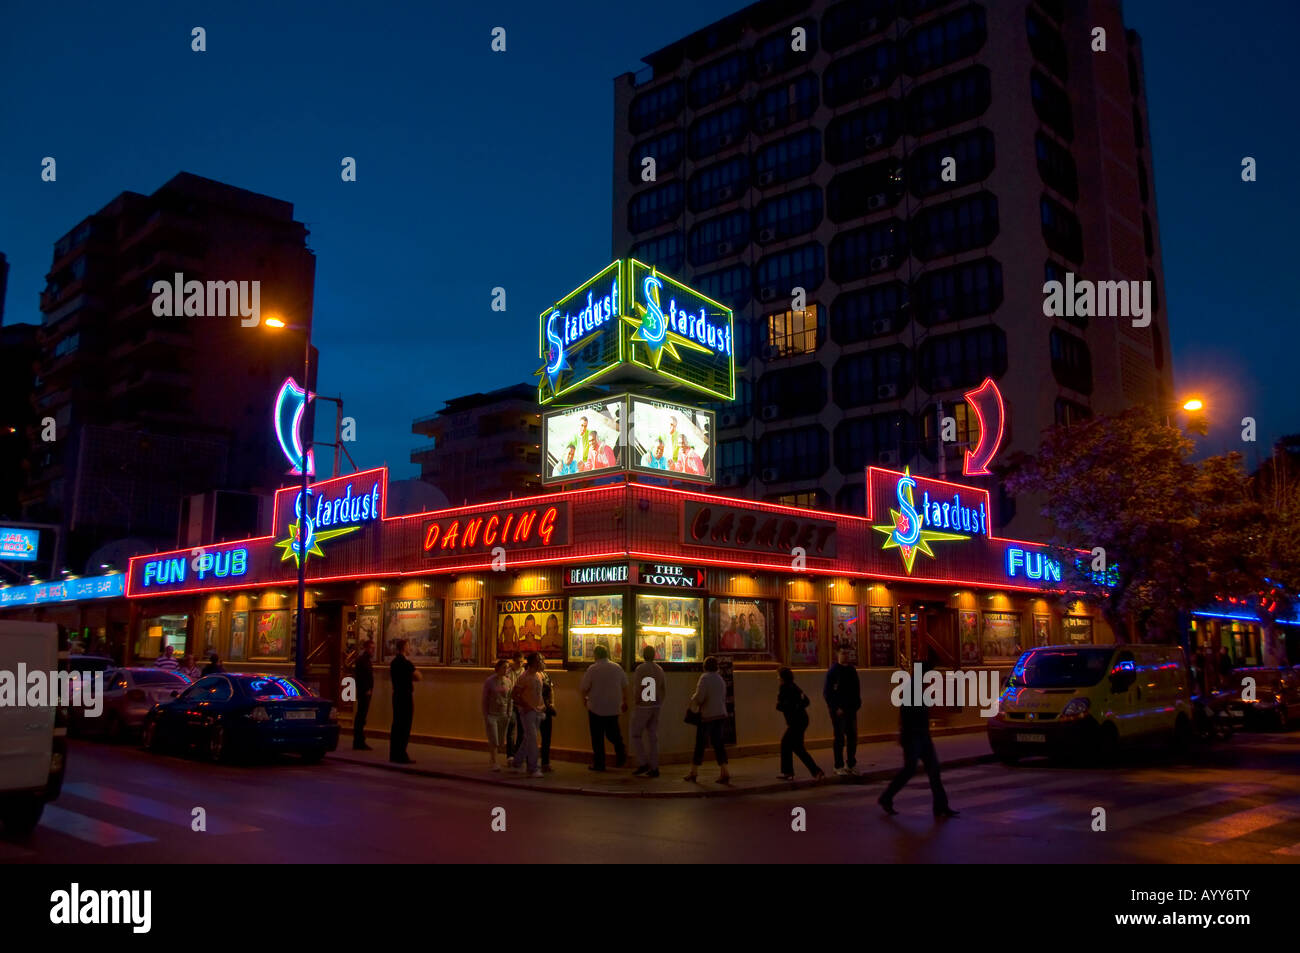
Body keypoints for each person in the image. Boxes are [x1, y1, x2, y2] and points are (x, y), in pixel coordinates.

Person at [878, 652, 958, 818]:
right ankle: (886, 797)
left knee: (932, 770)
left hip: (920, 735)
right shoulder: (913, 687)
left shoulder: (916, 686)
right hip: (914, 736)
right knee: (913, 770)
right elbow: (907, 713)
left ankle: (941, 805)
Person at [579, 644, 628, 771]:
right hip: (613, 706)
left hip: (596, 706)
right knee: (614, 734)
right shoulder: (617, 668)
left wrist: (584, 699)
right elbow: (625, 685)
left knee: (597, 738)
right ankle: (621, 754)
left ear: (596, 655)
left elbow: (584, 687)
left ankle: (599, 764)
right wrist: (624, 701)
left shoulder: (592, 669)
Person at [685, 656, 730, 784]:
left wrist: (693, 699)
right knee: (718, 744)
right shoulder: (720, 679)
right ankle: (725, 771)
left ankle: (694, 772)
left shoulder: (704, 678)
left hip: (707, 716)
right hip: (720, 714)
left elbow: (700, 697)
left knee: (700, 744)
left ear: (705, 666)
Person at [776, 667, 825, 781]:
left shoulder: (785, 688)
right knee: (797, 747)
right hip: (801, 720)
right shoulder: (794, 686)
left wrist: (790, 707)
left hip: (795, 722)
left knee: (786, 744)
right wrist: (798, 706)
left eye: (778, 676)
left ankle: (788, 772)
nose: (777, 678)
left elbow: (781, 705)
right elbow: (806, 701)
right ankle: (816, 771)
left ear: (783, 677)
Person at [824, 647, 861, 776]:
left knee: (852, 737)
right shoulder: (833, 671)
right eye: (843, 653)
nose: (845, 655)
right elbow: (827, 693)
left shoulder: (851, 670)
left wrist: (856, 705)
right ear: (837, 654)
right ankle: (838, 765)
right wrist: (835, 708)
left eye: (847, 653)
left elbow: (856, 689)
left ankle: (851, 764)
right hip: (839, 711)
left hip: (851, 709)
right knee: (839, 738)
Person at [507, 653, 546, 778]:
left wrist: (542, 706)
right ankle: (533, 767)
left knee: (527, 739)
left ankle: (517, 763)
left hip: (538, 711)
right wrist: (526, 706)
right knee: (533, 740)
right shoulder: (525, 677)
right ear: (534, 662)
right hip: (527, 712)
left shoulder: (539, 675)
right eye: (540, 660)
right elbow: (514, 695)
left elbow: (538, 694)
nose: (543, 662)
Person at [631, 644, 666, 778]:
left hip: (643, 705)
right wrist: (659, 702)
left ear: (643, 655)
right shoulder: (659, 669)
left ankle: (642, 762)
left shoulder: (641, 668)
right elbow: (663, 688)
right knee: (652, 737)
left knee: (636, 734)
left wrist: (637, 700)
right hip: (656, 705)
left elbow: (639, 687)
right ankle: (654, 766)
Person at [389, 638, 421, 764]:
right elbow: (418, 676)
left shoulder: (394, 663)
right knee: (405, 725)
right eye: (408, 645)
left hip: (396, 695)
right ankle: (401, 754)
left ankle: (393, 753)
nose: (409, 648)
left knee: (396, 724)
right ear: (404, 647)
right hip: (405, 696)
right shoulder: (406, 663)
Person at [481, 659, 512, 770]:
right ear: (498, 668)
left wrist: (509, 712)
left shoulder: (508, 681)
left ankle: (492, 757)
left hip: (503, 713)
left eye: (507, 667)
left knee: (500, 740)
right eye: (504, 667)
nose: (506, 670)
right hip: (492, 713)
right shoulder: (490, 681)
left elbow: (510, 698)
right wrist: (486, 714)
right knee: (493, 738)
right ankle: (494, 761)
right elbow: (485, 699)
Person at [351, 638, 375, 750]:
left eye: (374, 648)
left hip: (365, 691)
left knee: (362, 715)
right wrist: (366, 689)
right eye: (371, 648)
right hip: (364, 691)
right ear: (366, 648)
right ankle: (358, 740)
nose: (373, 651)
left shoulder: (365, 659)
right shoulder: (362, 660)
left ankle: (359, 739)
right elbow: (362, 676)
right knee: (361, 715)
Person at [504, 651, 526, 758]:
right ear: (513, 661)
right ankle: (510, 754)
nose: (520, 664)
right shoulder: (508, 672)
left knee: (522, 730)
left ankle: (518, 753)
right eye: (518, 662)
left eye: (522, 662)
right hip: (511, 703)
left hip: (521, 704)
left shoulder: (525, 673)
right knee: (511, 729)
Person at [538, 656, 556, 772]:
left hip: (546, 708)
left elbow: (551, 690)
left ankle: (545, 762)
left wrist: (552, 703)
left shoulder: (546, 676)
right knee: (529, 737)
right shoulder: (532, 676)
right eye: (541, 662)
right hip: (536, 708)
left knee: (546, 737)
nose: (543, 664)